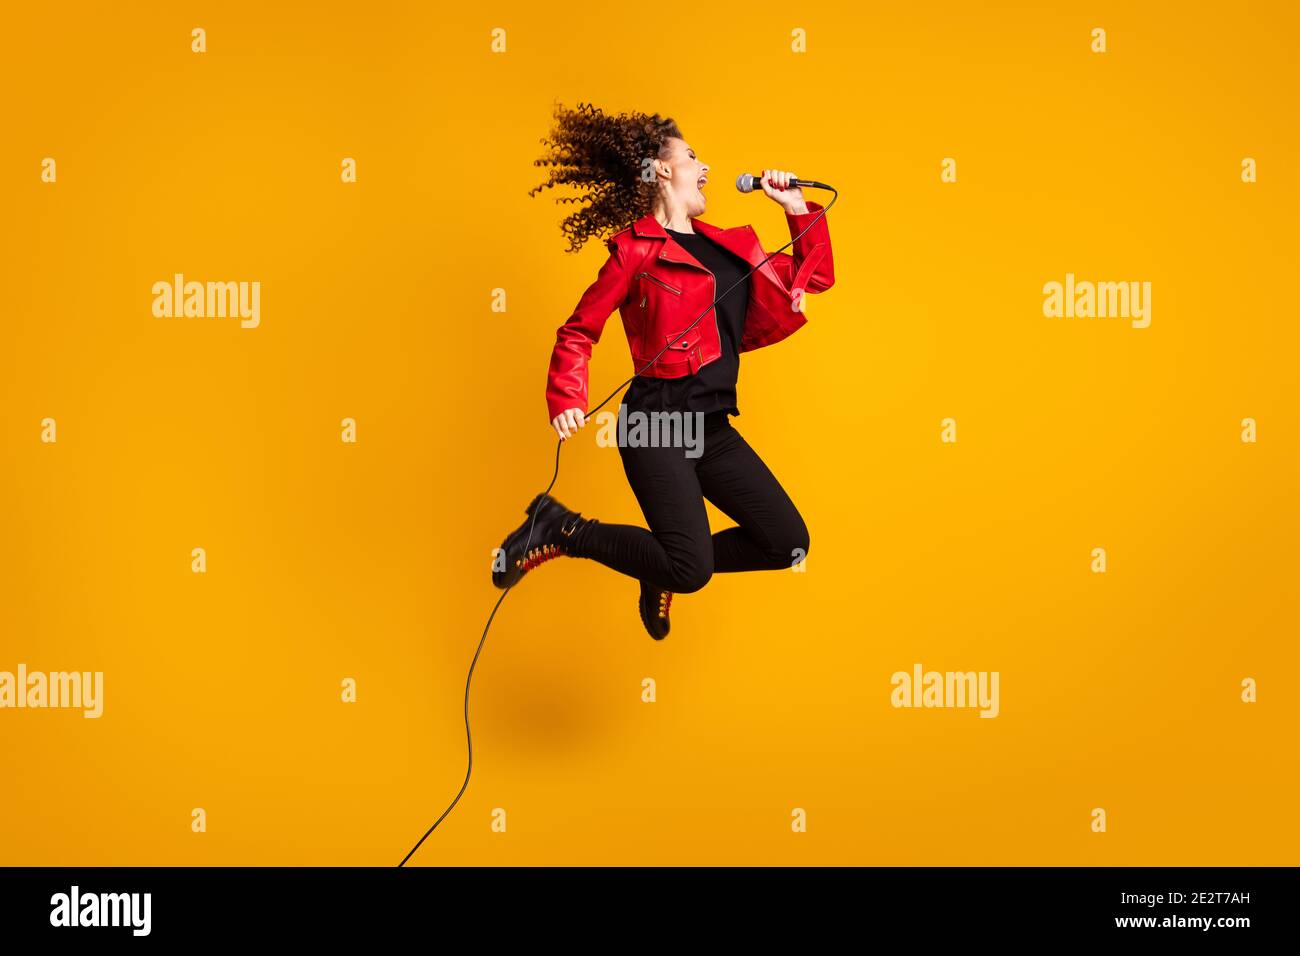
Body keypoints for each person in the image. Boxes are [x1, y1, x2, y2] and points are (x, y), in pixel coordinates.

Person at [492, 102, 835, 640]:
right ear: (662, 168)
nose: (707, 169)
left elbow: (814, 280)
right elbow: (579, 329)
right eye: (693, 156)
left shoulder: (732, 246)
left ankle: (656, 566)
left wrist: (795, 206)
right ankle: (560, 527)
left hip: (713, 428)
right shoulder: (635, 251)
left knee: (787, 542)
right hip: (655, 424)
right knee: (691, 570)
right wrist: (567, 396)